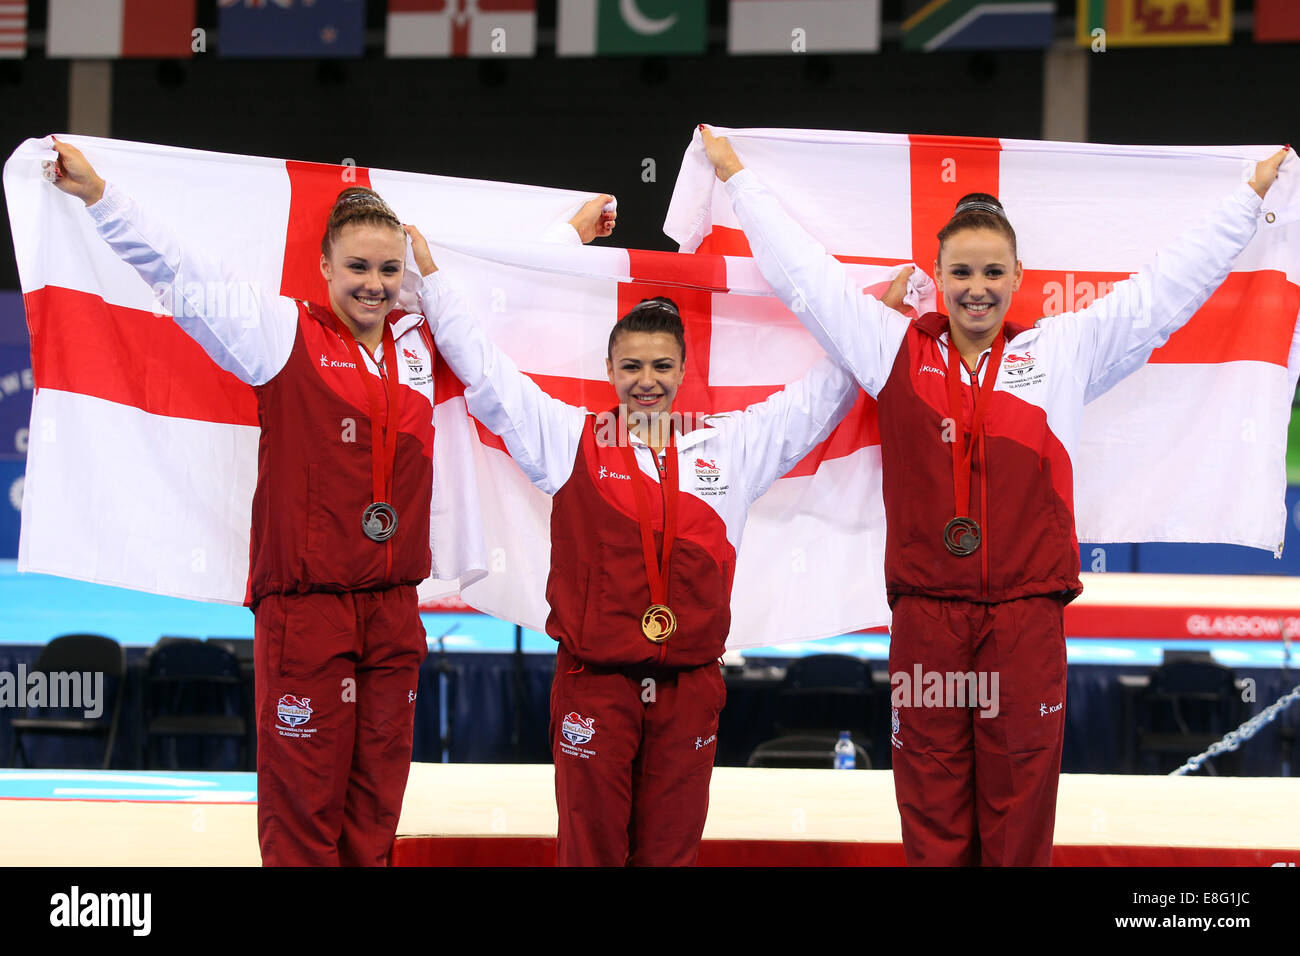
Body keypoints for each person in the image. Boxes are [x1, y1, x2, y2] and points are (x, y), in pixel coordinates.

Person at [699, 125, 1290, 866]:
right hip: (928, 619)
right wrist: (736, 176)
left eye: (992, 272)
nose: (976, 288)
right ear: (940, 277)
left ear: (1017, 278)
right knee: (933, 814)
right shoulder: (892, 348)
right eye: (961, 272)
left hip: (1023, 620)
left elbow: (1163, 293)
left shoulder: (1060, 354)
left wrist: (1248, 197)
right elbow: (803, 278)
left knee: (1017, 821)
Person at [45, 137, 616, 866]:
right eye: (356, 268)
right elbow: (180, 272)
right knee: (304, 816)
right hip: (306, 611)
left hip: (392, 609)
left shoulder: (420, 343)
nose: (373, 284)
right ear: (324, 268)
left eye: (387, 269)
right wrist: (100, 195)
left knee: (375, 813)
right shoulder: (281, 334)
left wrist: (571, 230)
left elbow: (494, 289)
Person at [405, 222, 916, 865]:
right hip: (596, 686)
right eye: (632, 366)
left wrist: (870, 319)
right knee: (590, 855)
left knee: (670, 856)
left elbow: (818, 400)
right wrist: (435, 278)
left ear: (683, 370)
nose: (646, 381)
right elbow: (487, 375)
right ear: (610, 371)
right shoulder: (569, 440)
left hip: (690, 689)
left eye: (661, 365)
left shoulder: (729, 450)